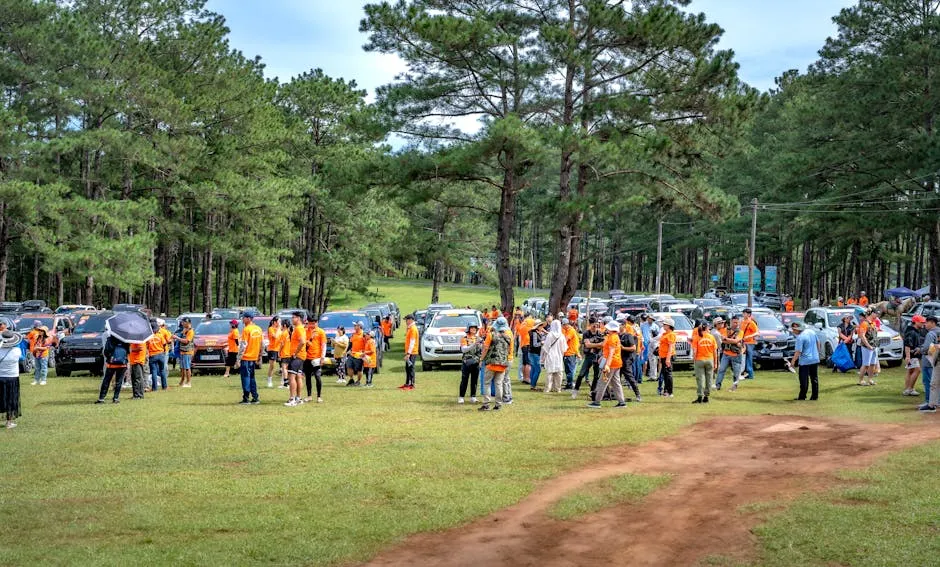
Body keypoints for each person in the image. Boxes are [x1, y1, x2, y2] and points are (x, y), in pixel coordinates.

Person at [587, 321, 627, 408]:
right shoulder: (613, 336)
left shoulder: (612, 338)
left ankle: (597, 402)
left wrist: (607, 365)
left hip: (612, 363)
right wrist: (603, 358)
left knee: (602, 382)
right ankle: (621, 402)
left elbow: (611, 353)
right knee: (616, 383)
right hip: (616, 362)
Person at [479, 317, 513, 411]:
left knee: (487, 383)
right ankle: (498, 404)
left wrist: (481, 359)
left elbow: (485, 348)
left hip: (491, 363)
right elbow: (509, 350)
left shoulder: (491, 335)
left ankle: (486, 404)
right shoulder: (508, 337)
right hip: (502, 364)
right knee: (499, 384)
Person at [789, 320, 821, 401]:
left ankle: (802, 396)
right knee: (814, 378)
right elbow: (818, 342)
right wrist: (818, 352)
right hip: (814, 359)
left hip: (805, 361)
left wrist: (793, 361)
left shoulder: (800, 337)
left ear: (797, 329)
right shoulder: (811, 332)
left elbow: (798, 351)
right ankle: (814, 396)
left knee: (804, 379)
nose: (793, 331)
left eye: (794, 329)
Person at [572, 318, 603, 399]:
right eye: (594, 325)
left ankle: (592, 392)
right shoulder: (586, 333)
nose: (595, 327)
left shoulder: (600, 333)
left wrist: (594, 344)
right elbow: (587, 345)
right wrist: (598, 344)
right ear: (590, 325)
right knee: (581, 374)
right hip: (589, 356)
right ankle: (575, 390)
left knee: (596, 376)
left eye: (597, 325)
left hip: (597, 356)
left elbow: (603, 344)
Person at [237, 312, 264, 405]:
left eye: (243, 318)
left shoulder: (246, 329)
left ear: (248, 319)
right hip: (254, 357)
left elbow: (243, 345)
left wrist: (238, 359)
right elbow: (262, 344)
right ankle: (255, 397)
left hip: (246, 357)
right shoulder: (259, 329)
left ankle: (246, 398)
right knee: (252, 378)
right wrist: (260, 356)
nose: (242, 320)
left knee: (245, 378)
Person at [0, 330, 23, 428]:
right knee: (11, 400)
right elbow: (22, 358)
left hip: (1, 376)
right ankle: (9, 422)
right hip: (12, 377)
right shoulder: (16, 351)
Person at [97, 334, 130, 404]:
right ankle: (116, 398)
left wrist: (109, 358)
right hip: (122, 364)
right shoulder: (125, 339)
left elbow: (106, 351)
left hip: (111, 364)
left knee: (106, 381)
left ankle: (101, 398)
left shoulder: (110, 339)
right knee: (119, 382)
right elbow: (128, 351)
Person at [284, 312, 307, 407]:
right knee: (298, 376)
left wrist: (295, 353)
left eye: (293, 317)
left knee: (291, 376)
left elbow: (302, 342)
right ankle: (298, 398)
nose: (292, 319)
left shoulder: (299, 329)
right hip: (300, 356)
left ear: (298, 318)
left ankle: (292, 399)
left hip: (297, 356)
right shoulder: (299, 329)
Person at [691, 321, 717, 404]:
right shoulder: (711, 337)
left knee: (700, 379)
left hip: (699, 360)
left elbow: (695, 351)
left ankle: (699, 396)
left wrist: (694, 360)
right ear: (707, 328)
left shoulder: (696, 337)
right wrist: (716, 362)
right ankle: (706, 397)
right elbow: (715, 351)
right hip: (710, 360)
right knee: (709, 379)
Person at [917, 316, 939, 412]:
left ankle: (930, 402)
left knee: (930, 382)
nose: (925, 324)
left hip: (932, 360)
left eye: (927, 322)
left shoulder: (931, 333)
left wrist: (920, 350)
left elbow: (926, 347)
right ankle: (934, 402)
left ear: (933, 323)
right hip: (935, 359)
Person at [714, 317, 743, 391]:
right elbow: (722, 340)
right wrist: (732, 341)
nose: (736, 324)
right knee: (721, 370)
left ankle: (734, 386)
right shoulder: (725, 330)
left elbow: (736, 341)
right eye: (734, 322)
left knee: (736, 372)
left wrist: (727, 339)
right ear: (730, 322)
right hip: (726, 354)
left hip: (736, 355)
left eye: (737, 322)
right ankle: (717, 385)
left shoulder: (740, 331)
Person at [618, 319, 641, 402]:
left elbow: (633, 348)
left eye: (620, 325)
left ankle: (638, 395)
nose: (618, 327)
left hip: (626, 360)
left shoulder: (628, 336)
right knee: (616, 379)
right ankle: (617, 395)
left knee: (629, 377)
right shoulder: (617, 335)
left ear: (624, 326)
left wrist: (623, 348)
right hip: (618, 359)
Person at [540, 320, 567, 393]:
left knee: (550, 373)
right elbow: (564, 348)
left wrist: (544, 356)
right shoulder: (562, 336)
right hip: (559, 356)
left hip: (550, 355)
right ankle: (558, 388)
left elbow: (546, 346)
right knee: (559, 373)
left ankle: (548, 388)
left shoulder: (550, 335)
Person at [304, 316, 327, 399]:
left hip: (316, 358)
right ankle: (309, 396)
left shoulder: (321, 332)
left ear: (317, 323)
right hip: (307, 357)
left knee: (317, 376)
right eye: (310, 323)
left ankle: (319, 396)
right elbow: (304, 344)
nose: (311, 325)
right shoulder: (305, 331)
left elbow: (323, 345)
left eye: (313, 323)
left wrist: (322, 357)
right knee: (308, 377)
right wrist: (311, 337)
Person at [902, 315, 926, 397]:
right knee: (917, 370)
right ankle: (910, 389)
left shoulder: (914, 331)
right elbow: (907, 345)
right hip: (912, 355)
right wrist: (908, 357)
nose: (923, 323)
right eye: (921, 322)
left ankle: (907, 389)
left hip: (912, 355)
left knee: (910, 371)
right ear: (916, 322)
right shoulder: (911, 332)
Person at [459, 324, 482, 404]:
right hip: (467, 361)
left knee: (474, 380)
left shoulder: (479, 339)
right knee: (464, 380)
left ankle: (473, 396)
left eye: (475, 328)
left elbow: (481, 350)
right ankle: (461, 397)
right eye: (472, 328)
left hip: (476, 362)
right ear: (468, 329)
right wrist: (474, 344)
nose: (474, 329)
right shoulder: (464, 338)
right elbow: (464, 350)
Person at [856, 309, 878, 386]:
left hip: (874, 346)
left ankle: (870, 379)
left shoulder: (873, 323)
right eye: (876, 313)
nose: (877, 315)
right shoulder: (864, 323)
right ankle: (861, 380)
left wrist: (874, 346)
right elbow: (862, 336)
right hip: (867, 347)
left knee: (872, 364)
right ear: (871, 314)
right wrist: (868, 346)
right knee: (866, 364)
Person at [147, 320, 169, 391]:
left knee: (154, 371)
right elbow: (164, 344)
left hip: (152, 355)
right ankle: (164, 386)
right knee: (162, 370)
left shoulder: (148, 338)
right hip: (161, 354)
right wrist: (164, 352)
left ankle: (154, 388)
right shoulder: (160, 336)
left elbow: (147, 347)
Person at [659, 318, 677, 397]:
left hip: (667, 356)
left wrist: (668, 359)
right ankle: (666, 390)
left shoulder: (671, 334)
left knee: (668, 374)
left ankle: (670, 391)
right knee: (665, 374)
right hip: (663, 356)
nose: (663, 325)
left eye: (665, 324)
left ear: (669, 326)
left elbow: (671, 347)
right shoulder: (664, 334)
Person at [400, 314, 419, 390]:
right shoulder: (410, 328)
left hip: (412, 352)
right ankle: (407, 383)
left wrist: (408, 353)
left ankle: (412, 384)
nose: (406, 321)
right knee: (407, 368)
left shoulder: (413, 329)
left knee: (411, 368)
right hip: (410, 352)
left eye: (407, 320)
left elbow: (412, 342)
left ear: (411, 319)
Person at [175, 318, 195, 388]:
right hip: (182, 351)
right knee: (182, 367)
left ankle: (189, 382)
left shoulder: (191, 331)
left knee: (187, 367)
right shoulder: (184, 330)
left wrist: (177, 338)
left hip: (188, 352)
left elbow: (187, 341)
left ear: (187, 323)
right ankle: (182, 381)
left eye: (183, 322)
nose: (182, 324)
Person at [561, 319, 580, 389]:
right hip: (567, 352)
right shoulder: (566, 330)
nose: (562, 326)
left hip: (570, 353)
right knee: (567, 370)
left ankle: (570, 385)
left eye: (563, 325)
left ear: (566, 325)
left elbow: (565, 340)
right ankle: (569, 383)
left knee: (570, 370)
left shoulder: (571, 330)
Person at [346, 322, 366, 387]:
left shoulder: (364, 335)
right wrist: (346, 351)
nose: (354, 326)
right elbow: (351, 344)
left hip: (360, 355)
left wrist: (364, 352)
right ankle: (351, 379)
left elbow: (367, 344)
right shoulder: (353, 334)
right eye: (354, 325)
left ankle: (358, 381)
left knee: (359, 369)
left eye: (355, 325)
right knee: (349, 366)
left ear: (360, 326)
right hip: (352, 354)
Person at [265, 317, 283, 388]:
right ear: (274, 322)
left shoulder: (280, 329)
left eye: (280, 321)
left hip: (280, 348)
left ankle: (283, 381)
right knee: (272, 366)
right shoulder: (271, 329)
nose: (280, 323)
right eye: (279, 321)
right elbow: (275, 336)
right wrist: (279, 329)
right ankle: (269, 380)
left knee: (283, 366)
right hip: (272, 349)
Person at [527, 320, 545, 390]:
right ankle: (533, 385)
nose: (542, 327)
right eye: (540, 326)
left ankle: (532, 384)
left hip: (533, 353)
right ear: (537, 327)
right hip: (534, 353)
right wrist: (542, 343)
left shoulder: (535, 333)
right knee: (538, 370)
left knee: (533, 369)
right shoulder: (534, 333)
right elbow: (535, 344)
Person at [516, 315, 534, 384]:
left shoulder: (522, 324)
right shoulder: (529, 321)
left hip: (523, 344)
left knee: (524, 363)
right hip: (527, 343)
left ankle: (524, 378)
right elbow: (538, 325)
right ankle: (528, 378)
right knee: (528, 363)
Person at [278, 320, 293, 389]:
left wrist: (279, 351)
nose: (280, 326)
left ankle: (286, 383)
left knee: (284, 368)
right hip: (290, 353)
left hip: (285, 353)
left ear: (284, 325)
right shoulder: (290, 332)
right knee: (288, 369)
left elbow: (282, 344)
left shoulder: (283, 333)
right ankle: (287, 383)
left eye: (281, 325)